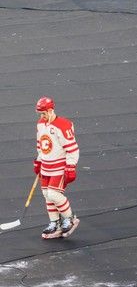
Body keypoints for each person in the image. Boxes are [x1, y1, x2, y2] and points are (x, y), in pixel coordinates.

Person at [34, 97, 80, 240]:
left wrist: (71, 166)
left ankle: (70, 218)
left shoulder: (63, 125)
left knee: (54, 194)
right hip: (46, 166)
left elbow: (72, 149)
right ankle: (55, 223)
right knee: (47, 195)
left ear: (50, 110)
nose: (41, 117)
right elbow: (41, 145)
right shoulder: (41, 124)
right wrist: (39, 161)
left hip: (59, 166)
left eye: (43, 113)